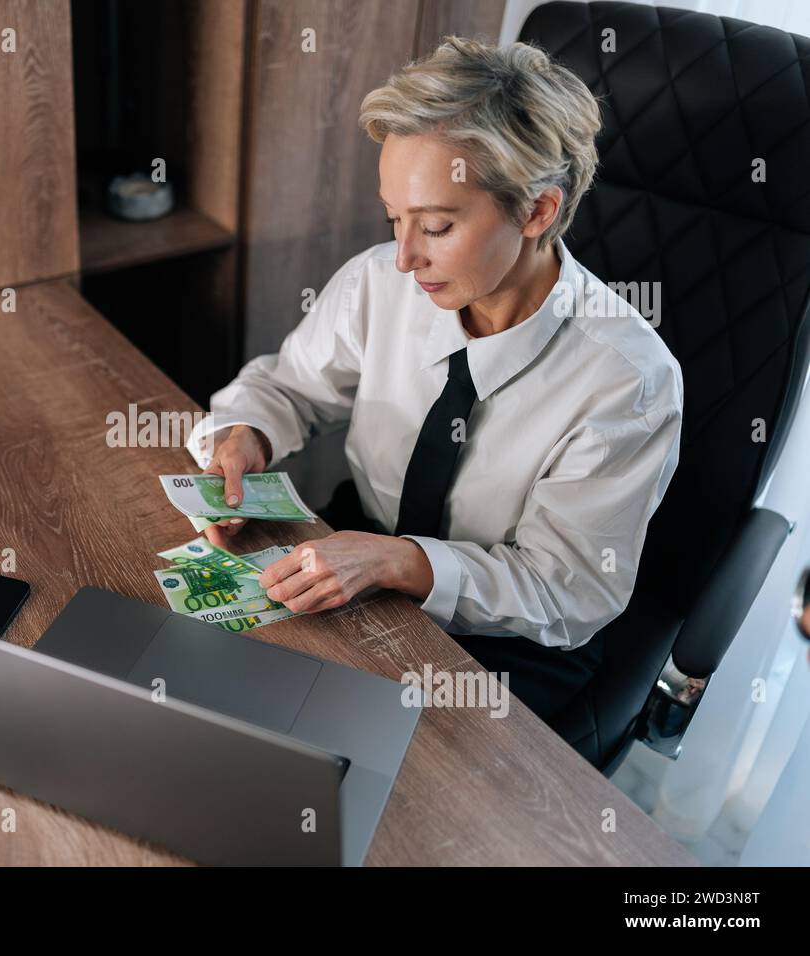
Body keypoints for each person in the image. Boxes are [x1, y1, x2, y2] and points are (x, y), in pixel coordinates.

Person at [185, 37, 684, 723]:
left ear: (537, 211)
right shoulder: (377, 283)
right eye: (396, 219)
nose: (404, 257)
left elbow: (568, 592)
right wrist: (248, 435)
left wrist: (399, 563)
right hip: (360, 554)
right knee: (221, 701)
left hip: (509, 640)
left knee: (387, 790)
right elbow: (291, 386)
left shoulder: (629, 381)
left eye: (438, 225)